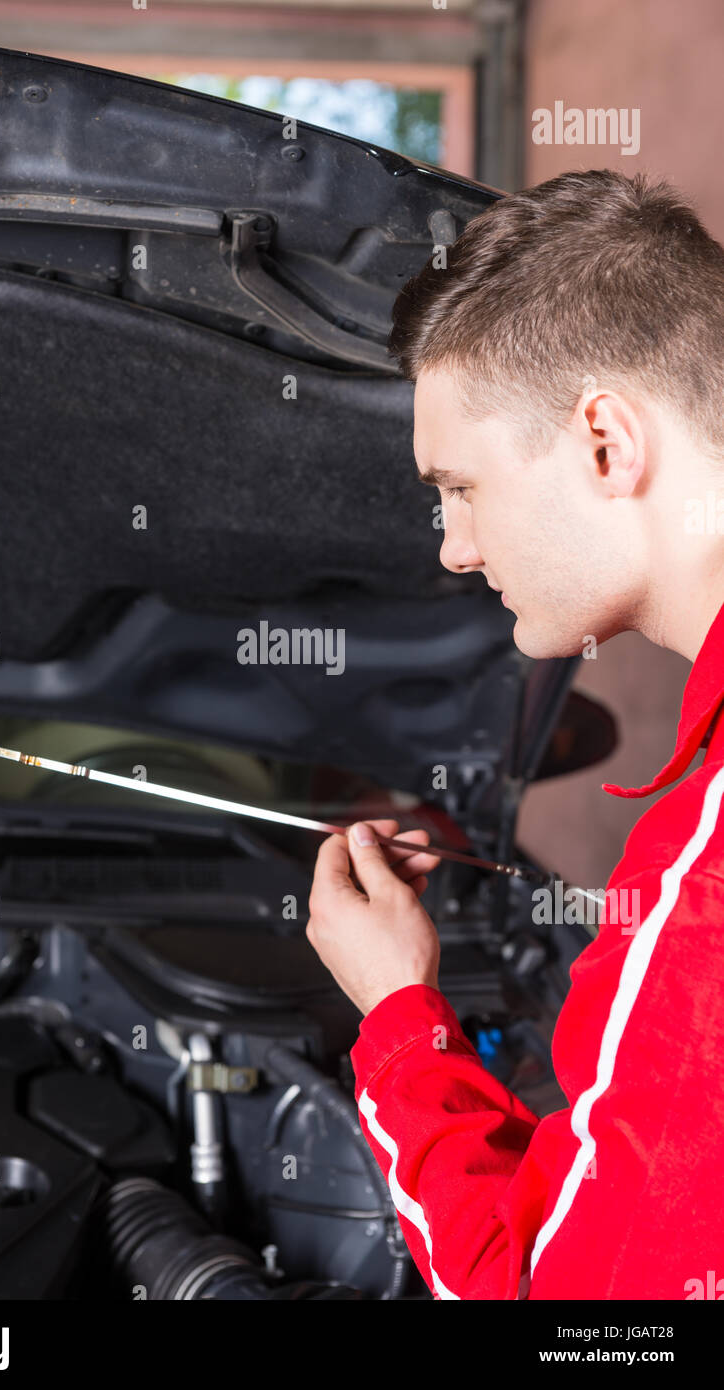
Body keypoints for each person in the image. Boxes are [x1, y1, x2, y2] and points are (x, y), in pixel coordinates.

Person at [305, 169, 724, 1300]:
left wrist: (398, 1013)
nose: (451, 547)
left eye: (460, 487)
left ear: (603, 441)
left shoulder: (706, 885)